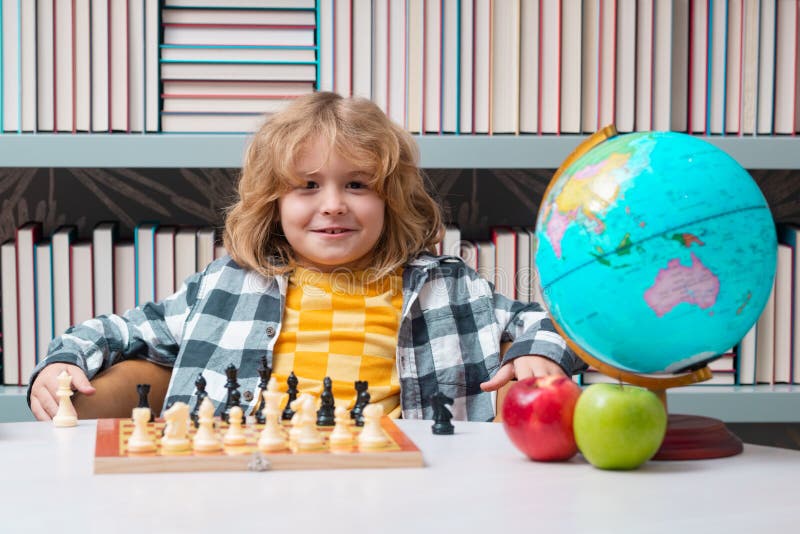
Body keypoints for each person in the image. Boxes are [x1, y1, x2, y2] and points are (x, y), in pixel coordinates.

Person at [28, 91, 584, 422]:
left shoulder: (447, 285)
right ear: (274, 200)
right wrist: (62, 362)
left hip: (407, 479)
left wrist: (540, 354)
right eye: (308, 186)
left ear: (391, 198)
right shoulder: (228, 284)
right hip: (251, 477)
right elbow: (122, 330)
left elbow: (551, 321)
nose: (334, 206)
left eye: (359, 185)